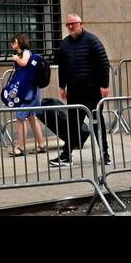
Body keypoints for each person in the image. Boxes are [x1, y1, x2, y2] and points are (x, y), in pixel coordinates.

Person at [54, 14, 111, 167]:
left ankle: (105, 154)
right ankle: (66, 156)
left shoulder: (92, 40)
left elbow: (103, 63)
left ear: (81, 24)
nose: (70, 27)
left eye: (73, 24)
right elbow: (62, 67)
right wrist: (62, 86)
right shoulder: (65, 43)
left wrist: (104, 86)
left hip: (92, 91)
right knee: (72, 124)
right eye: (68, 25)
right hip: (74, 91)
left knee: (97, 123)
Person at [3, 33, 47, 156]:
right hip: (29, 90)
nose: (12, 44)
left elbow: (24, 63)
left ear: (20, 42)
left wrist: (17, 59)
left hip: (27, 92)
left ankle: (21, 147)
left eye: (14, 42)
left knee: (20, 118)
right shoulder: (21, 53)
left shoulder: (26, 52)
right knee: (31, 117)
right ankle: (41, 144)